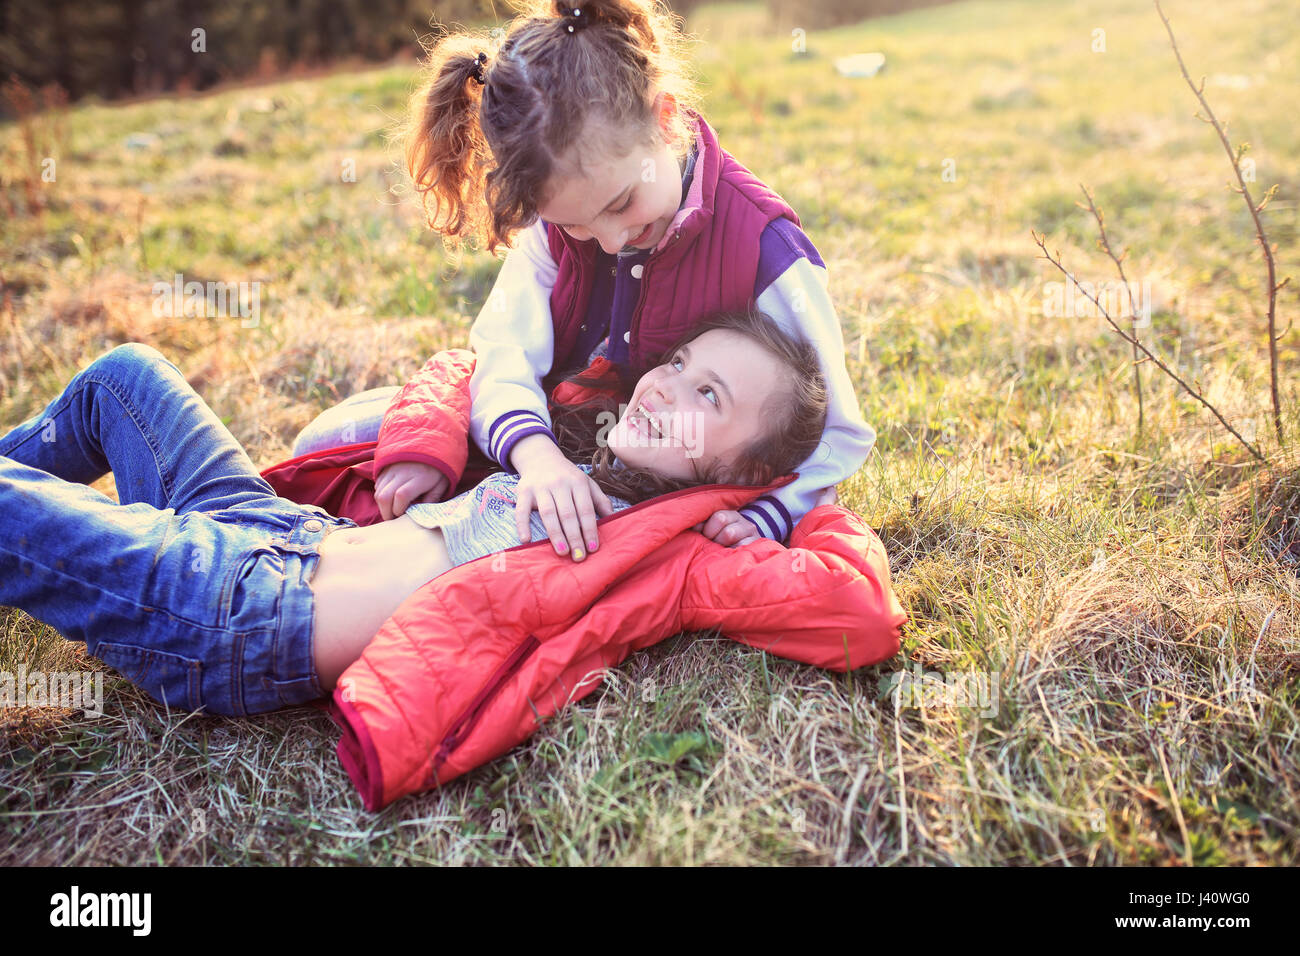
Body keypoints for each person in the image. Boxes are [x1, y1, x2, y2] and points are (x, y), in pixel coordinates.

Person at [0, 307, 827, 715]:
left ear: (747, 469)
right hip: (280, 532)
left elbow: (851, 610)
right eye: (680, 362)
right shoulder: (575, 445)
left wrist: (772, 514)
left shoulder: (673, 549)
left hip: (244, 616)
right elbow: (468, 369)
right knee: (126, 376)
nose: (666, 386)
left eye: (707, 394)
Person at [294, 0, 874, 563]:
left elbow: (837, 429)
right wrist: (538, 457)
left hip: (636, 461)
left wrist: (770, 513)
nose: (613, 241)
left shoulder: (767, 249)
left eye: (623, 202)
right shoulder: (553, 228)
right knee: (320, 449)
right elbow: (503, 356)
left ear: (664, 118)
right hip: (543, 434)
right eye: (576, 223)